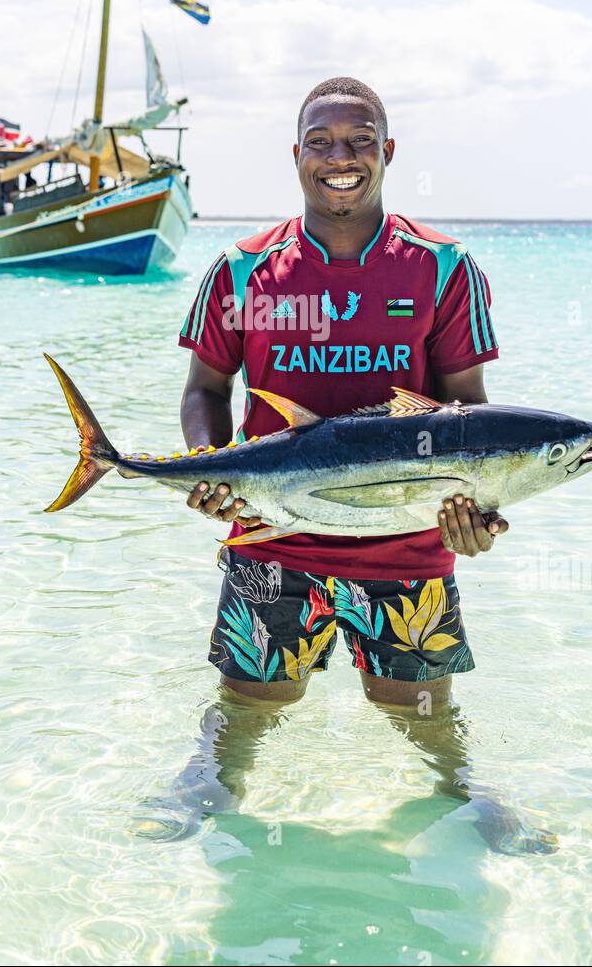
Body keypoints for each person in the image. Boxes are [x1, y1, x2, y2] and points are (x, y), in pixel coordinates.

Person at [136, 77, 554, 854]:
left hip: (407, 549)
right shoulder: (240, 270)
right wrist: (208, 468)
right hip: (271, 541)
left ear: (387, 152)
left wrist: (480, 515)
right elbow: (205, 387)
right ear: (295, 155)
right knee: (248, 707)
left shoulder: (443, 268)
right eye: (322, 142)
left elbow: (471, 418)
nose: (342, 157)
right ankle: (208, 791)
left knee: (422, 712)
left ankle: (463, 797)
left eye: (360, 140)